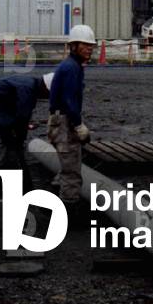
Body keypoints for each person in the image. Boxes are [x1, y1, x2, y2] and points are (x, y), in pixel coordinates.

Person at [47, 24, 96, 214]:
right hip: (65, 122)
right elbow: (69, 99)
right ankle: (68, 209)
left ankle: (53, 198)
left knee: (66, 163)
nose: (89, 49)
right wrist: (78, 125)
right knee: (71, 169)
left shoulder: (72, 66)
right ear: (74, 46)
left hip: (60, 120)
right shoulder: (71, 68)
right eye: (85, 45)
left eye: (91, 46)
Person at [0, 71, 54, 190]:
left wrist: (19, 138)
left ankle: (4, 174)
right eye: (49, 95)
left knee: (8, 143)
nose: (48, 98)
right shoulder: (27, 89)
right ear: (46, 88)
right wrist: (18, 138)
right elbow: (22, 117)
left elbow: (24, 116)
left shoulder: (31, 87)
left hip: (1, 109)